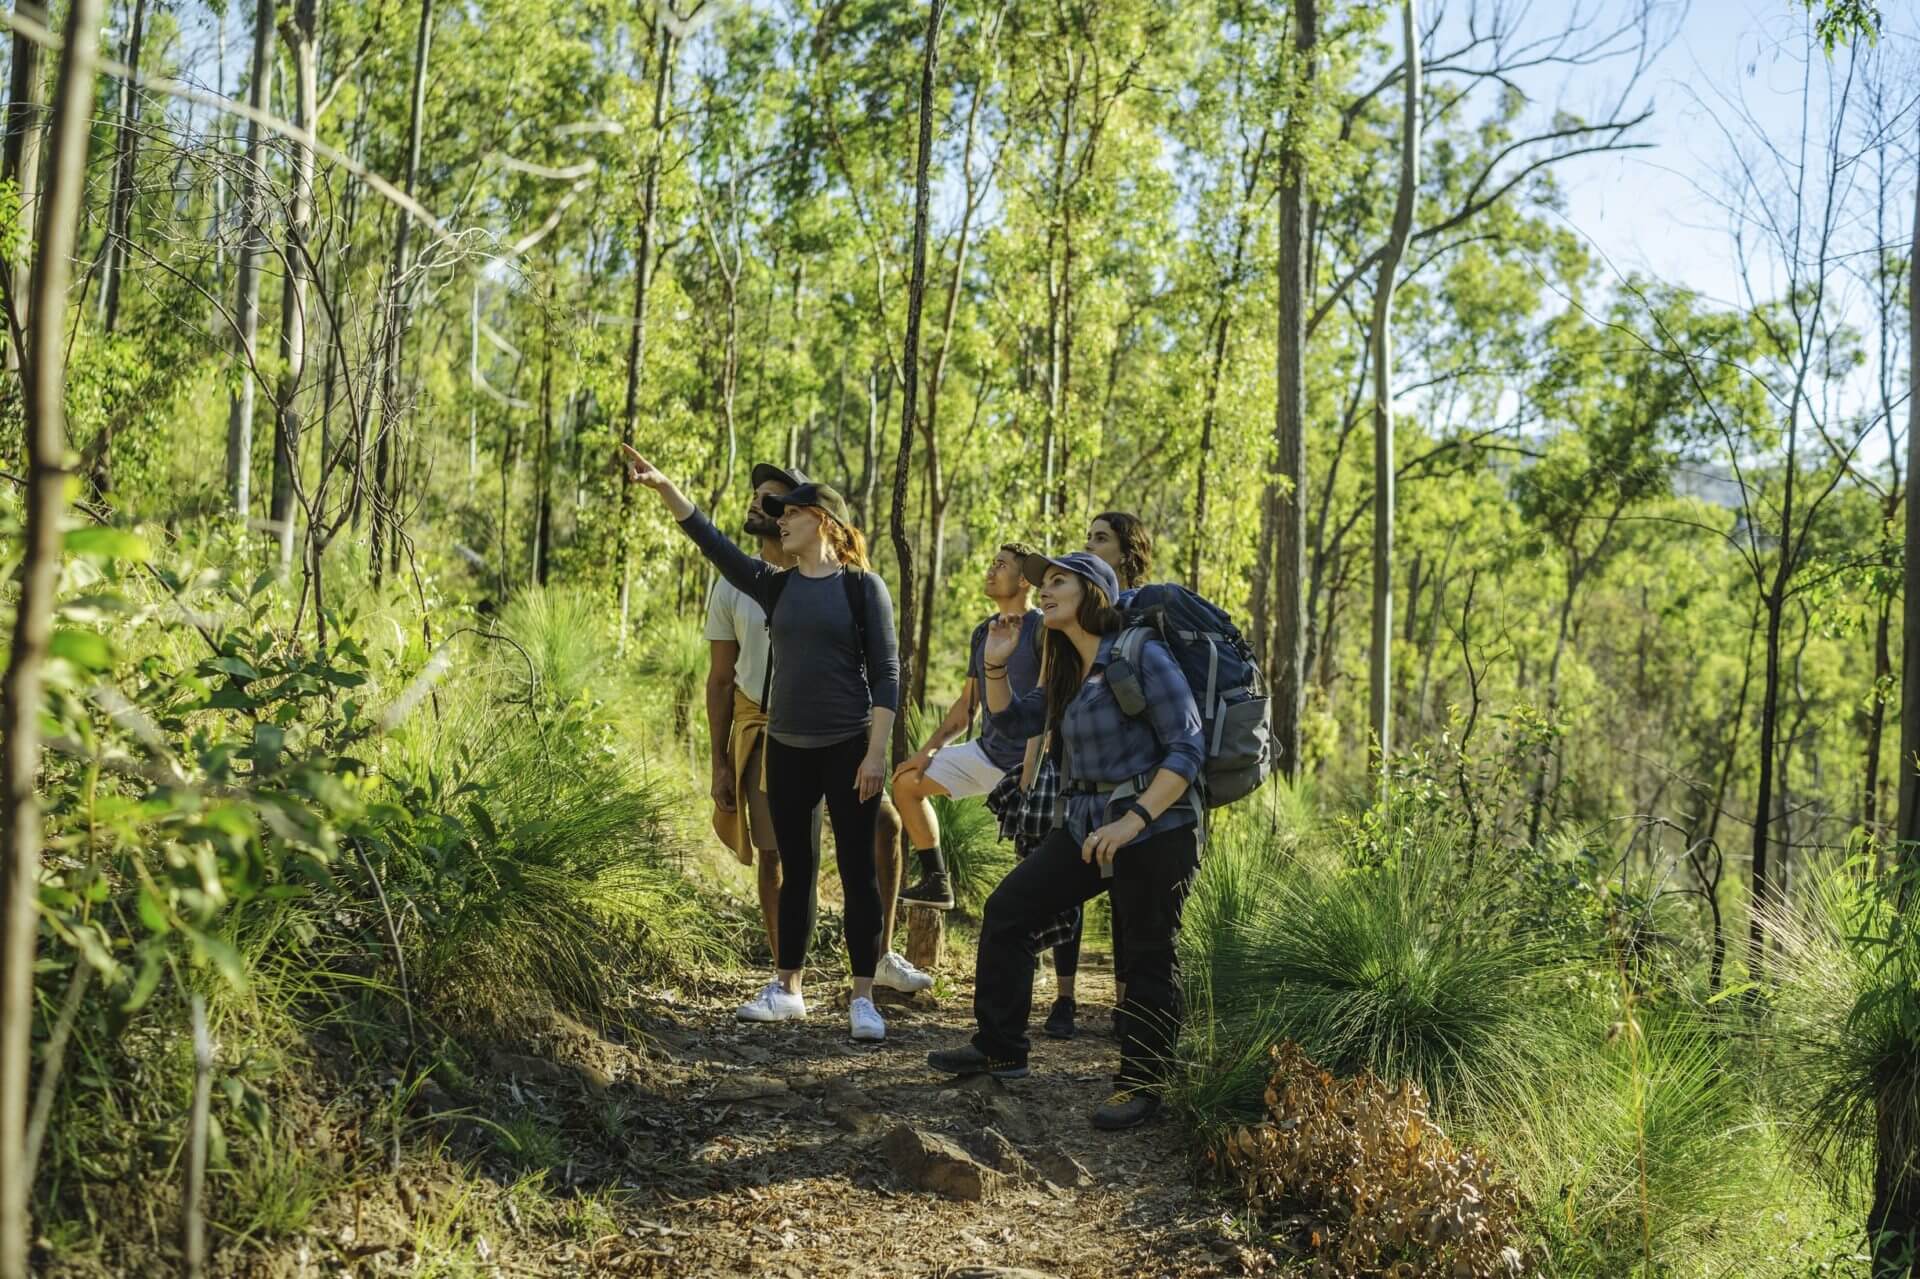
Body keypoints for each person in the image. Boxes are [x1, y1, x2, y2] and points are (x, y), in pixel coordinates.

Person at [623, 444, 900, 1043]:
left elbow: (886, 674)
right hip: (787, 746)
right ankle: (790, 989)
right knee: (796, 868)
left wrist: (876, 753)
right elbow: (711, 542)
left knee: (856, 870)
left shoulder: (863, 588)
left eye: (792, 513)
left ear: (822, 521)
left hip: (849, 746)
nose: (781, 521)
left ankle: (861, 998)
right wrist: (666, 487)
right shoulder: (774, 586)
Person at [926, 550, 1204, 1131]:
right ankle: (1000, 1047)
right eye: (1040, 583)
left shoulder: (1140, 653)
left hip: (1157, 826)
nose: (1042, 592)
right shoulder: (1069, 668)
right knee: (1009, 911)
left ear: (1093, 594)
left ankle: (1143, 1086)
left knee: (1147, 952)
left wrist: (1136, 821)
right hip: (1085, 826)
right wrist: (997, 668)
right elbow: (1012, 725)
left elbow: (1187, 748)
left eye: (1056, 582)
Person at [705, 462, 931, 997]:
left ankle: (877, 958)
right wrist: (720, 760)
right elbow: (718, 679)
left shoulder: (846, 583)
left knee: (883, 829)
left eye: (778, 501)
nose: (764, 507)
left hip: (844, 735)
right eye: (760, 498)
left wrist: (875, 748)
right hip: (769, 731)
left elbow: (882, 666)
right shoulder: (738, 586)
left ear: (812, 515)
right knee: (778, 853)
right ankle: (786, 977)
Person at [891, 542, 1079, 1037]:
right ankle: (936, 879)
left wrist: (1032, 771)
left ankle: (1063, 997)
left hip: (1031, 763)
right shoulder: (984, 631)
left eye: (1001, 566)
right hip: (985, 754)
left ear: (1024, 582)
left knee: (1043, 874)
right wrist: (927, 751)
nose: (991, 570)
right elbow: (965, 708)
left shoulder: (1043, 627)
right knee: (906, 784)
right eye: (991, 562)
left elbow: (1047, 703)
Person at [1081, 510, 1153, 1023]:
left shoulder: (1143, 614)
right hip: (1091, 780)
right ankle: (1084, 998)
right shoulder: (1087, 617)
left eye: (1101, 539)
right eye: (1088, 537)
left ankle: (1132, 1006)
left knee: (1136, 901)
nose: (1090, 544)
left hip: (1147, 783)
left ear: (1128, 553)